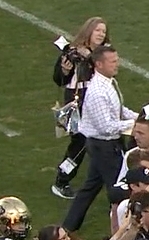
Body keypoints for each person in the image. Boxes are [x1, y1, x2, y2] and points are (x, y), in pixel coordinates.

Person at [60, 45, 137, 236]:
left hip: (104, 144)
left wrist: (140, 116)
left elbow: (118, 110)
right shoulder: (97, 92)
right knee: (119, 190)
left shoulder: (109, 83)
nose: (117, 65)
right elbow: (106, 126)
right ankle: (121, 234)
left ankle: (68, 228)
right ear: (99, 64)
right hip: (105, 146)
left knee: (90, 187)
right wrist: (134, 124)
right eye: (113, 62)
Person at [51, 17, 109, 200]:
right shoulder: (72, 52)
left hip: (97, 100)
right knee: (80, 143)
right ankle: (62, 179)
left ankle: (110, 176)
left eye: (104, 31)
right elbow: (59, 80)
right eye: (98, 30)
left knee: (102, 139)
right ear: (89, 31)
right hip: (78, 101)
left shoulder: (103, 53)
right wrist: (65, 70)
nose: (101, 34)